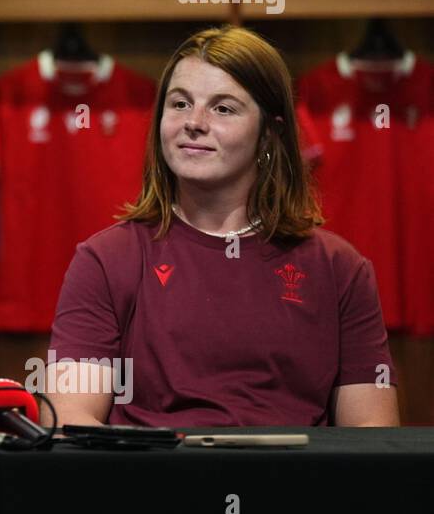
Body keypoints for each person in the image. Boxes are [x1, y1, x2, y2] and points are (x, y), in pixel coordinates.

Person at [46, 25, 398, 428]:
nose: (194, 122)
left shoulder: (339, 269)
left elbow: (371, 438)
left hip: (294, 485)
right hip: (152, 484)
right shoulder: (106, 260)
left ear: (270, 132)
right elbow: (71, 423)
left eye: (223, 108)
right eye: (179, 104)